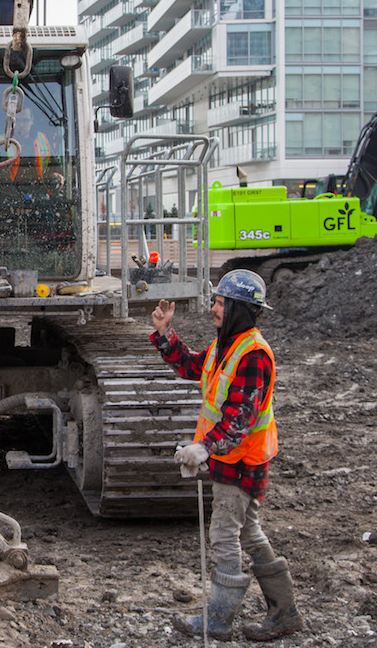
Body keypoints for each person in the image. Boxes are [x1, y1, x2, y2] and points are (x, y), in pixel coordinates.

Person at [149, 270, 304, 642]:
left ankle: (219, 619)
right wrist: (165, 334)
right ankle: (285, 612)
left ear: (237, 308)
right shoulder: (227, 347)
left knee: (223, 535)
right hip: (231, 457)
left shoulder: (253, 355)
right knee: (248, 532)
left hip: (241, 460)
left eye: (220, 303)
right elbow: (191, 366)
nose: (214, 309)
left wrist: (203, 448)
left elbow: (240, 418)